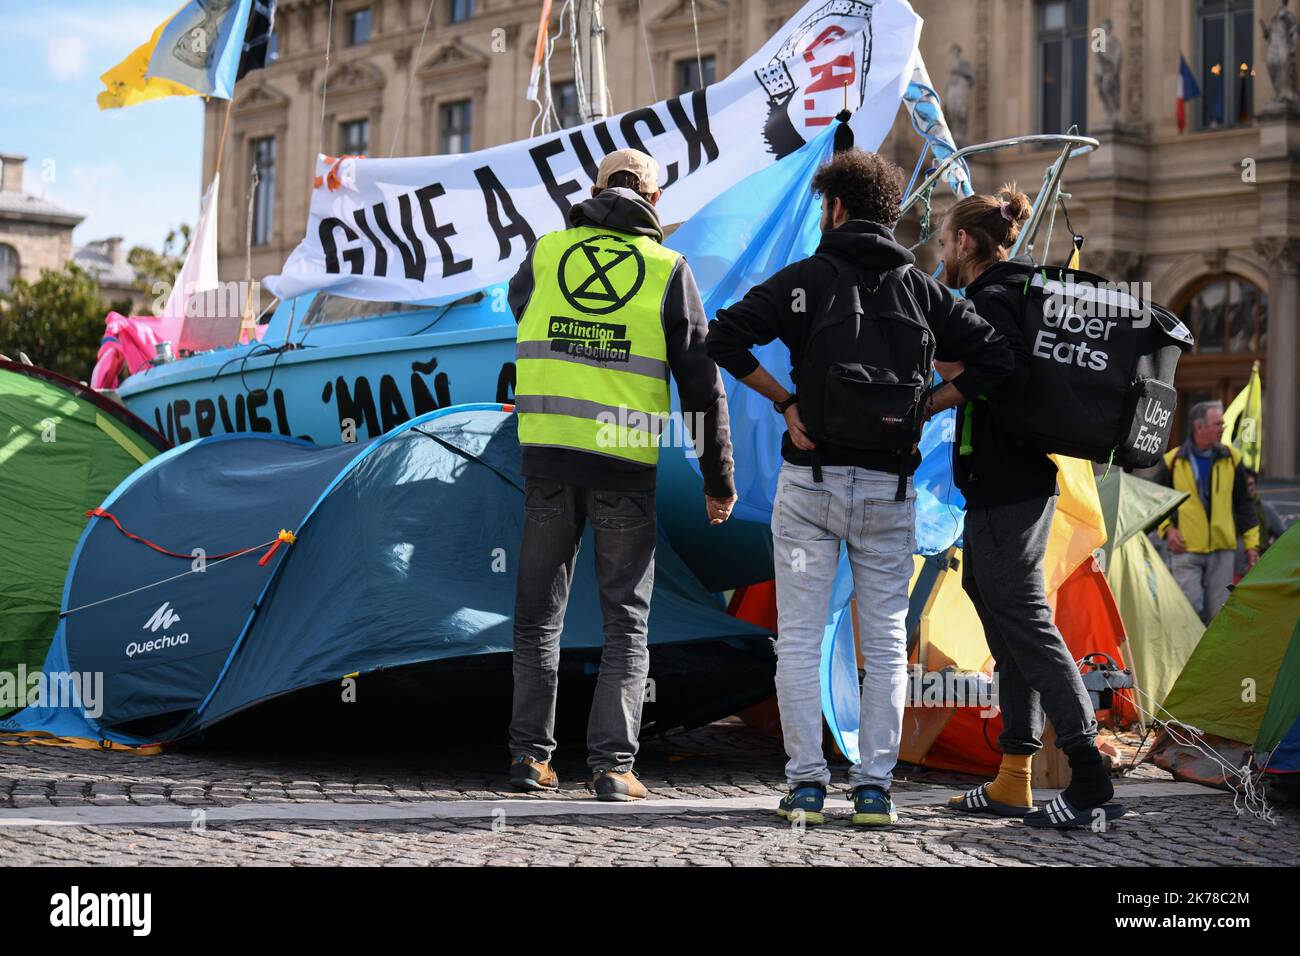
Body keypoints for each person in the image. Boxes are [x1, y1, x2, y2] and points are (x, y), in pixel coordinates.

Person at [705, 148, 1015, 826]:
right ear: (890, 213)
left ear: (836, 207)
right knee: (883, 640)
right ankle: (874, 788)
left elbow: (723, 335)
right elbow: (998, 359)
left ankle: (807, 786)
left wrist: (786, 402)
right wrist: (929, 404)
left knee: (800, 637)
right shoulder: (924, 290)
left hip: (810, 485)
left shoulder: (808, 278)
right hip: (889, 490)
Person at [507, 148, 738, 801]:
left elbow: (520, 310)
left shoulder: (548, 252)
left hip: (549, 457)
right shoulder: (669, 267)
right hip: (623, 464)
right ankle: (611, 767)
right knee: (625, 620)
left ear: (593, 189)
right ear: (655, 200)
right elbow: (701, 382)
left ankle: (529, 758)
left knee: (536, 617)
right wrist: (717, 478)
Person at [937, 185, 1124, 829]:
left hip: (1008, 485)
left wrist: (934, 398)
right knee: (1007, 619)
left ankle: (1089, 772)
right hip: (1008, 483)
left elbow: (1005, 369)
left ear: (965, 242)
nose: (941, 250)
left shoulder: (991, 298)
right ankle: (1014, 777)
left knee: (1026, 621)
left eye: (943, 239)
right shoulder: (1015, 293)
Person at [1154, 401, 1259, 623]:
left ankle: (1213, 658)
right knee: (1186, 612)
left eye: (1222, 423)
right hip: (1185, 549)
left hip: (1222, 550)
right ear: (1199, 427)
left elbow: (1245, 504)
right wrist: (1168, 531)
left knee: (1219, 616)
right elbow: (1157, 502)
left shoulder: (1233, 457)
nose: (1223, 427)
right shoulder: (1172, 460)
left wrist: (1252, 545)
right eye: (1217, 423)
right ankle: (1185, 657)